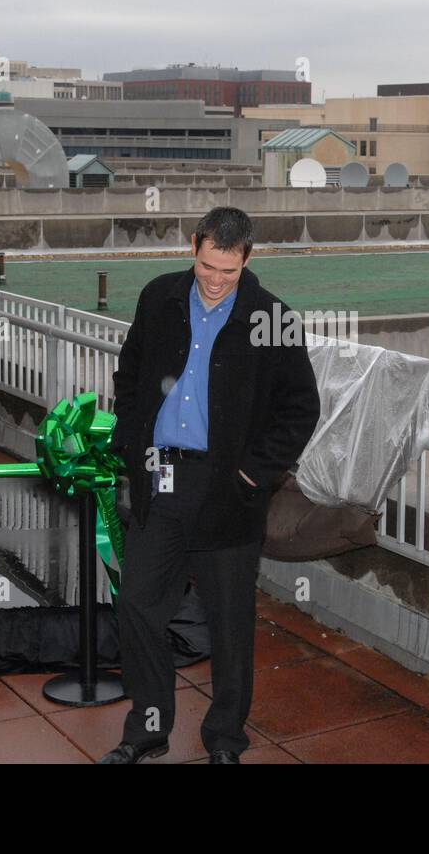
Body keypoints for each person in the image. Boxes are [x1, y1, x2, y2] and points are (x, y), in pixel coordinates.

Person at [99, 206, 321, 764]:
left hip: (229, 493)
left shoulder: (275, 320)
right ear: (192, 244)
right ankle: (146, 732)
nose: (216, 280)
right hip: (160, 480)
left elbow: (300, 410)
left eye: (229, 270)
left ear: (248, 256)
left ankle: (224, 743)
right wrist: (131, 441)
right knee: (141, 608)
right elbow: (129, 376)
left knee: (229, 627)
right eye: (207, 266)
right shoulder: (158, 298)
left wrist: (251, 474)